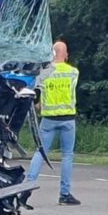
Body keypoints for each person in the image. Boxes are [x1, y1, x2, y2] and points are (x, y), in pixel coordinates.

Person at [27, 39, 81, 205]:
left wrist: (39, 104)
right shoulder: (73, 72)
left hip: (49, 118)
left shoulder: (44, 73)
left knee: (40, 152)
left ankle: (26, 189)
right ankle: (64, 194)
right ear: (66, 55)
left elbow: (36, 92)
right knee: (67, 156)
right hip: (68, 117)